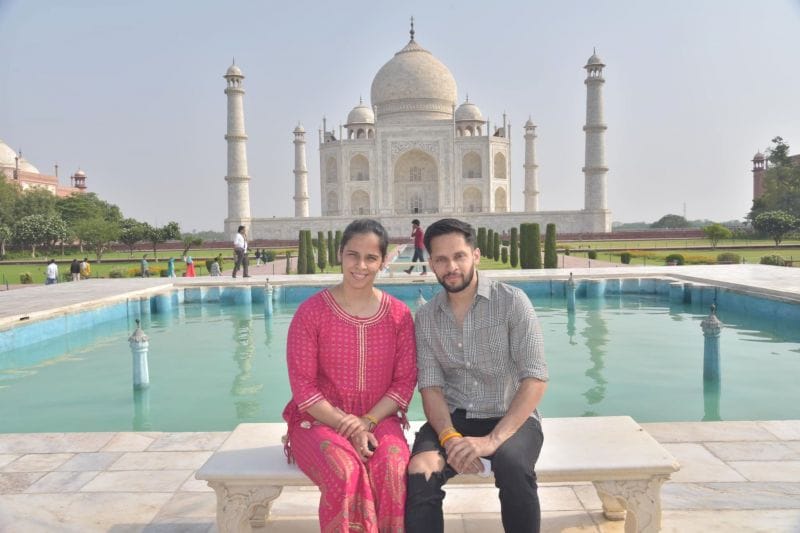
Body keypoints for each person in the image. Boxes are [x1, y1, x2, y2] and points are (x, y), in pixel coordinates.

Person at [405, 218, 548, 533]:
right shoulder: (427, 317)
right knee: (421, 471)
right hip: (454, 418)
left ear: (476, 255)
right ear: (431, 264)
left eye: (459, 256)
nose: (451, 266)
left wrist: (491, 441)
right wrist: (449, 437)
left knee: (512, 466)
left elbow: (535, 378)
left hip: (512, 418)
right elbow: (431, 388)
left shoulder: (511, 302)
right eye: (441, 260)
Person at [282, 218, 418, 532]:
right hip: (318, 420)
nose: (361, 265)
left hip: (379, 418)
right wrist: (348, 425)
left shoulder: (398, 315)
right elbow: (304, 387)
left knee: (393, 467)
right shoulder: (311, 312)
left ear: (383, 262)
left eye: (371, 258)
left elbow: (404, 382)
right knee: (344, 469)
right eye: (353, 255)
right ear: (340, 254)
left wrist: (366, 422)